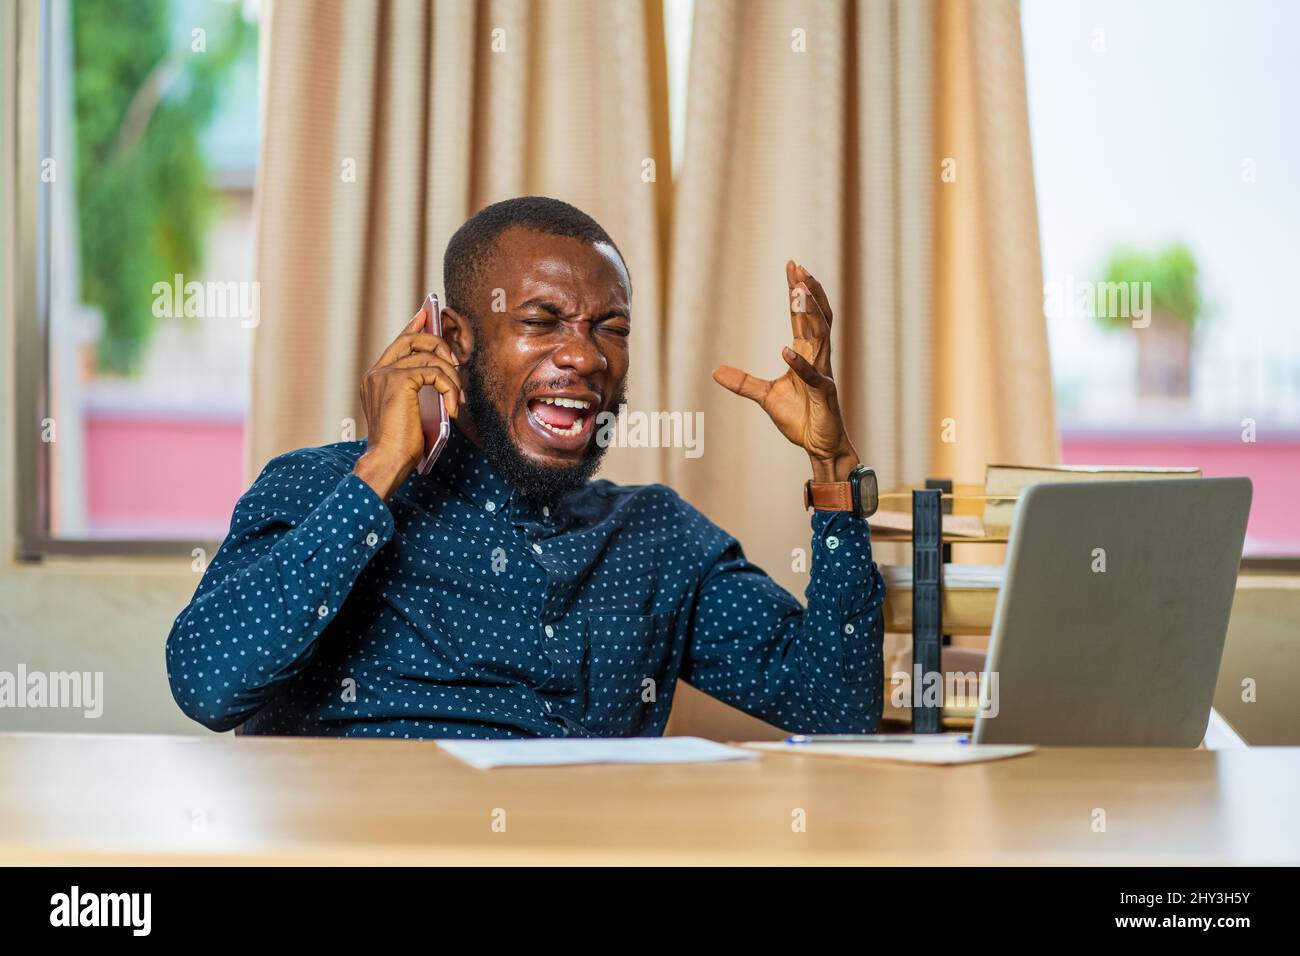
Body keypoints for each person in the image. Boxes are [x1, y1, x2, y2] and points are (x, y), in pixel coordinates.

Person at [166, 196, 885, 738]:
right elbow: (208, 685)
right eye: (542, 322)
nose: (585, 356)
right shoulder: (320, 488)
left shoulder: (656, 538)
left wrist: (833, 469)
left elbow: (835, 709)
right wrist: (384, 466)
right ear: (451, 339)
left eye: (612, 328)